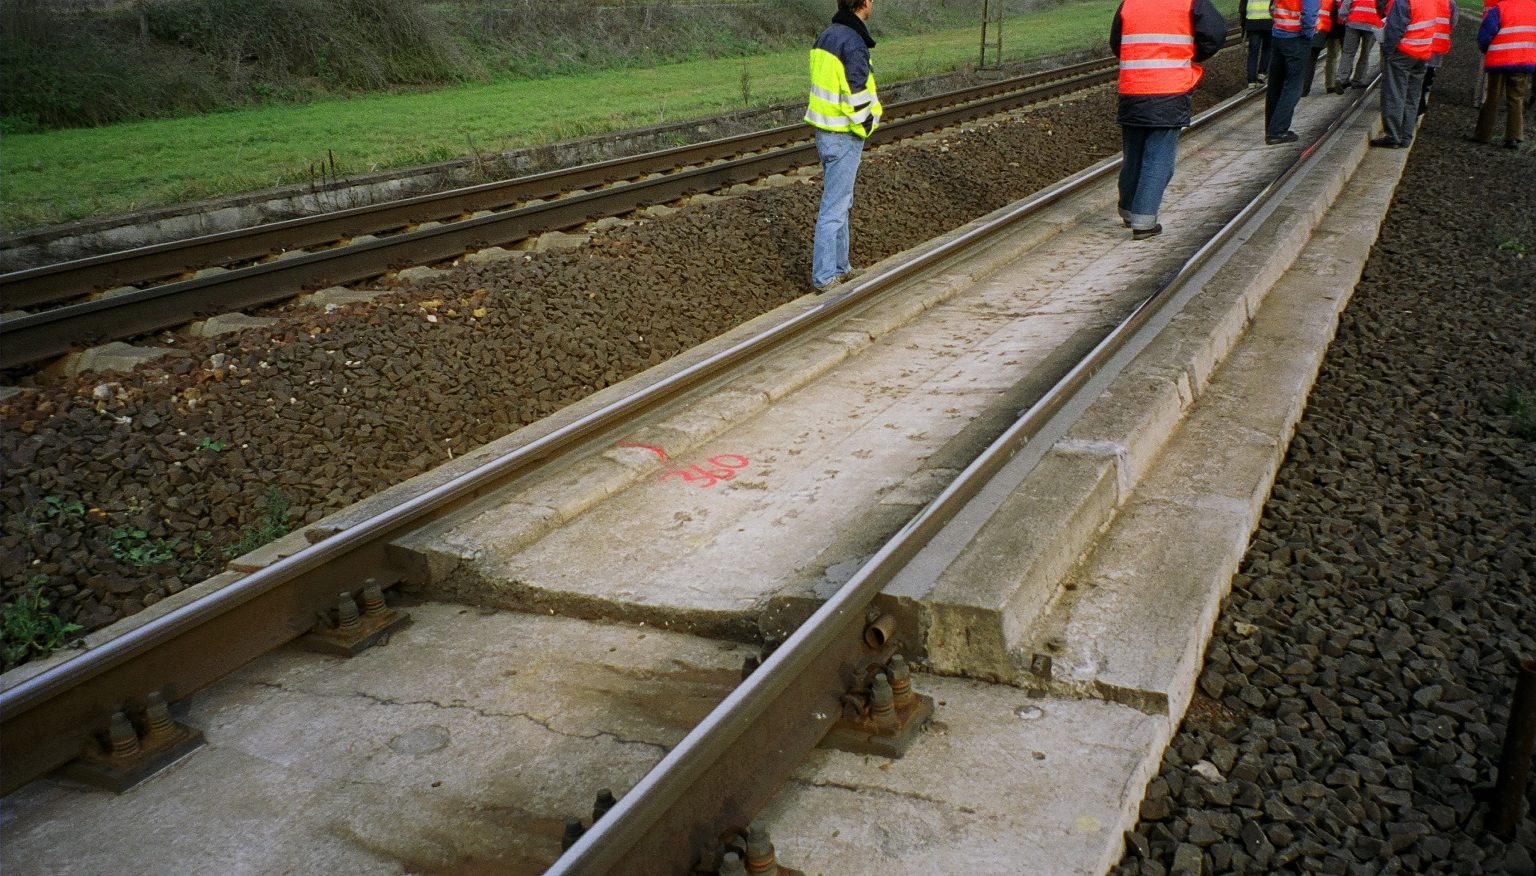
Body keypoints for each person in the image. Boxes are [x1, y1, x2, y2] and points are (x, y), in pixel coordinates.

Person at [1110, 0, 1227, 239]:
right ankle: (1144, 220)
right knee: (1159, 158)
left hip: (1132, 88)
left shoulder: (1130, 3)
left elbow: (1116, 43)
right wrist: (1189, 53)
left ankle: (1128, 209)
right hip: (1169, 88)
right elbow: (1215, 34)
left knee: (1133, 154)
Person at [805, 0, 882, 293]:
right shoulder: (853, 42)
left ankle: (841, 267)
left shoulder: (826, 36)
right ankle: (825, 277)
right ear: (863, 3)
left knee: (840, 201)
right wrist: (866, 124)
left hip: (824, 130)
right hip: (844, 133)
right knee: (834, 207)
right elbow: (856, 91)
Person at [1373, 0, 1452, 147]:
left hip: (1404, 51)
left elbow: (1395, 28)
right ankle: (1406, 136)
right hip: (1423, 52)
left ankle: (1393, 136)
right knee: (1413, 95)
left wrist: (1388, 50)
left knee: (1394, 92)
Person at [1471, 0, 1536, 147]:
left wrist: (1485, 48)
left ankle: (1483, 134)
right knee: (1516, 98)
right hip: (1523, 59)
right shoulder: (1533, 8)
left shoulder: (1500, 8)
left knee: (1492, 98)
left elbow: (1485, 34)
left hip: (1499, 59)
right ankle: (1513, 137)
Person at [1265, 0, 1321, 144]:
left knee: (1275, 85)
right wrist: (1308, 34)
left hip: (1278, 35)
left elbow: (1272, 8)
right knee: (1293, 87)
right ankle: (1277, 131)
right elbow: (1309, 14)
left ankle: (1271, 128)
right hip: (1296, 39)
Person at [1336, 0, 1385, 89]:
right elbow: (1382, 7)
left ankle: (1342, 78)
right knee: (1365, 53)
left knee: (1348, 52)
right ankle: (1358, 80)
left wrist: (1346, 19)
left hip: (1353, 23)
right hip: (1371, 24)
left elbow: (1344, 8)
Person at [1302, 0, 1343, 95]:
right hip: (1326, 28)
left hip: (1315, 27)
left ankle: (1304, 88)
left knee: (1310, 59)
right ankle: (1330, 85)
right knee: (1329, 57)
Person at [1240, 0, 1274, 86]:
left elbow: (1242, 8)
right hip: (1268, 21)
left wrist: (1244, 26)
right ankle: (1262, 74)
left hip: (1252, 22)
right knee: (1267, 49)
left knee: (1253, 52)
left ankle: (1251, 81)